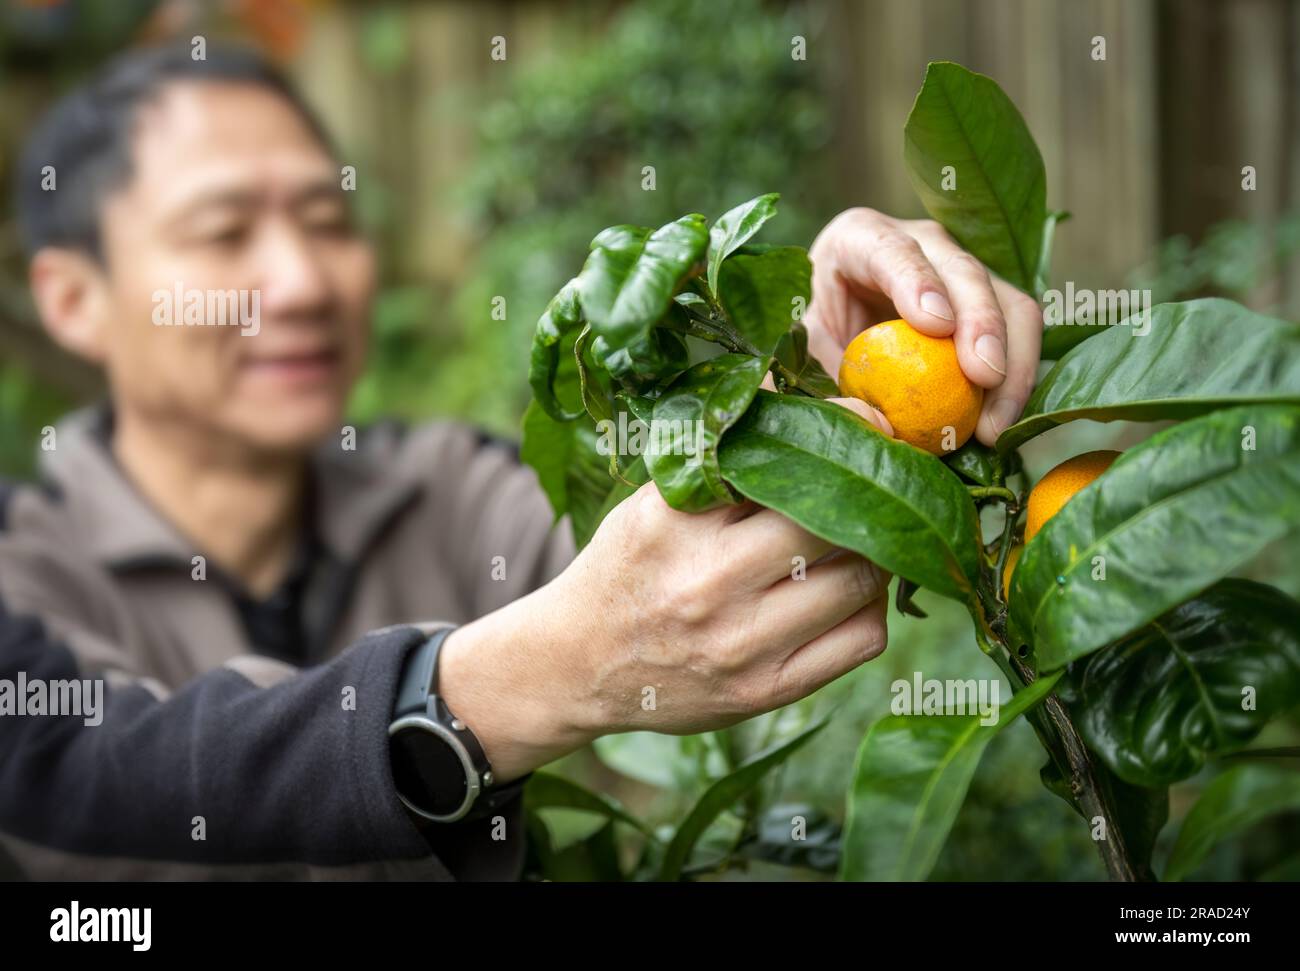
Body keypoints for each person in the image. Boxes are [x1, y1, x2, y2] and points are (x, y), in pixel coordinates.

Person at [0, 44, 1042, 880]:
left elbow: (631, 548)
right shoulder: (23, 568)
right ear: (72, 296)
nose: (302, 279)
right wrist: (481, 701)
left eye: (328, 220)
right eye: (224, 232)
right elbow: (77, 772)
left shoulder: (454, 490)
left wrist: (809, 378)